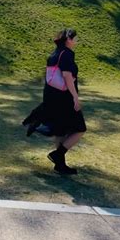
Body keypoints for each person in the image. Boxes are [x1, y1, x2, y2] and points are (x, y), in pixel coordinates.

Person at [22, 28, 86, 175]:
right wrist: (75, 97)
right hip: (65, 99)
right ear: (69, 39)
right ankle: (58, 154)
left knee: (61, 130)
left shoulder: (55, 53)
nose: (76, 41)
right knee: (80, 128)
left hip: (52, 97)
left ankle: (60, 165)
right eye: (75, 38)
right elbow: (67, 76)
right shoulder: (67, 54)